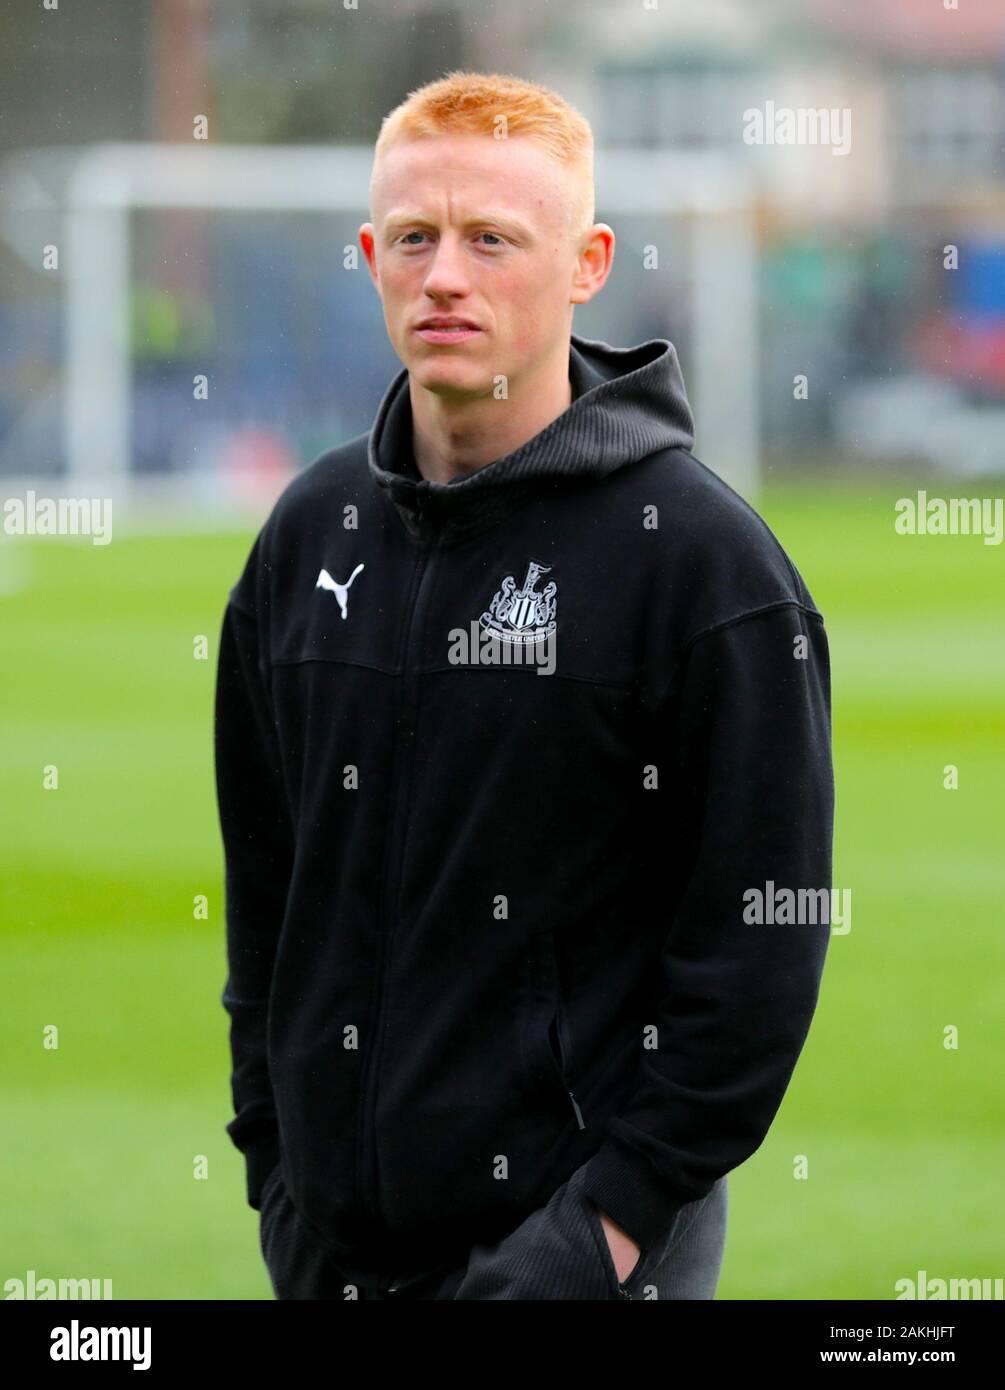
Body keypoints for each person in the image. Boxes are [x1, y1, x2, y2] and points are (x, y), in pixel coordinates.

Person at [214, 70, 834, 1301]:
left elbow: (760, 944)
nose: (446, 274)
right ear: (370, 256)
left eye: (492, 238)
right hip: (330, 1258)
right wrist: (278, 1175)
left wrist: (606, 1229)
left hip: (582, 1261)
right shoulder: (306, 534)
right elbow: (269, 910)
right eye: (414, 238)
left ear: (589, 262)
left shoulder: (705, 564)